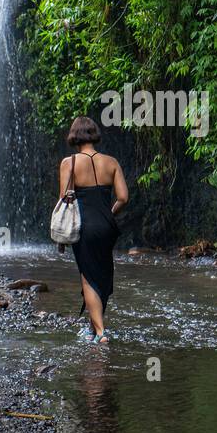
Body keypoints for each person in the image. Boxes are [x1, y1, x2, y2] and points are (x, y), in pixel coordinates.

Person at [60, 116, 128, 345]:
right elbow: (123, 198)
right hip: (107, 226)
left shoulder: (69, 163)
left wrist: (61, 237)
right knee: (102, 274)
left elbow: (65, 199)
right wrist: (109, 213)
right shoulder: (112, 162)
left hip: (84, 227)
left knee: (88, 277)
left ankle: (100, 332)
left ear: (74, 136)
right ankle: (92, 329)